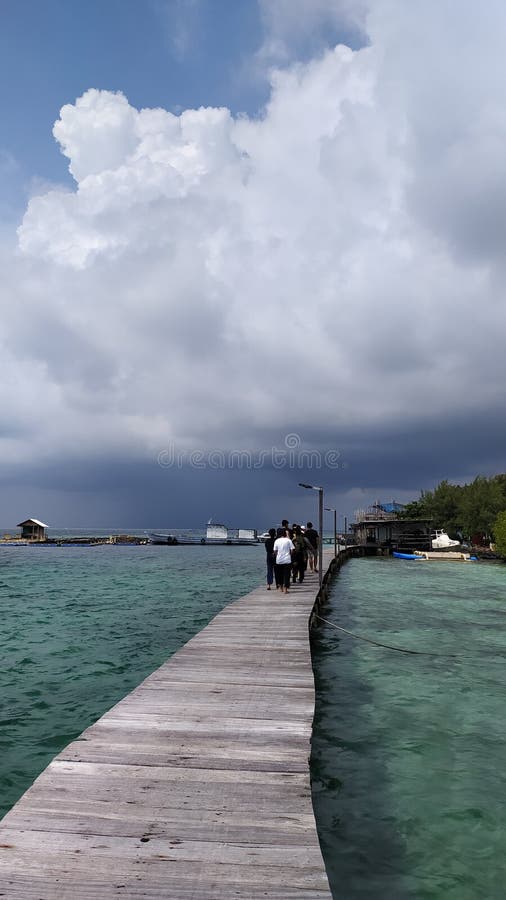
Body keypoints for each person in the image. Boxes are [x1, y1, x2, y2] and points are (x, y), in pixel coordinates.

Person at [273, 526, 295, 593]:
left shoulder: (277, 541)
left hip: (279, 560)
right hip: (287, 560)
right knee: (287, 575)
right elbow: (292, 549)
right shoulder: (288, 540)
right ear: (285, 534)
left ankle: (281, 588)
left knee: (280, 575)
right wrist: (290, 555)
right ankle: (285, 589)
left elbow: (275, 551)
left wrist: (277, 555)